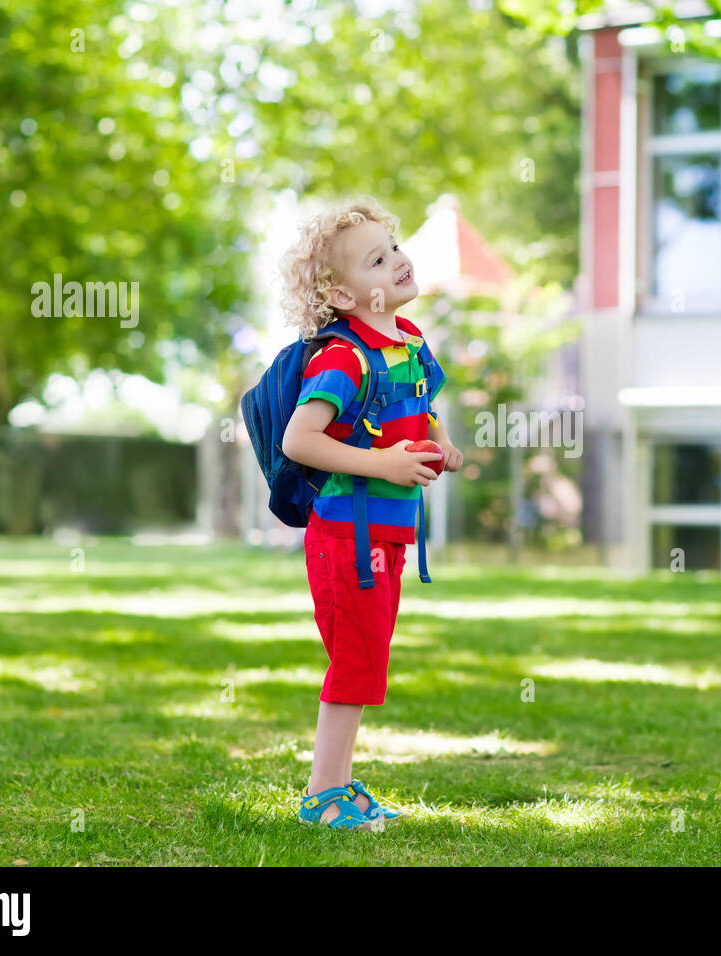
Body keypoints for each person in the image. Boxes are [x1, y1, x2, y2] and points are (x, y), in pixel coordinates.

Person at [278, 196, 463, 829]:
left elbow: (410, 412)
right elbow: (300, 441)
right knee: (354, 662)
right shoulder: (343, 357)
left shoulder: (406, 344)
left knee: (366, 660)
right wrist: (385, 466)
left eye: (396, 248)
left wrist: (438, 446)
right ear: (341, 292)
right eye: (377, 259)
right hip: (344, 540)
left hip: (385, 540)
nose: (399, 262)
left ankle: (338, 785)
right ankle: (323, 793)